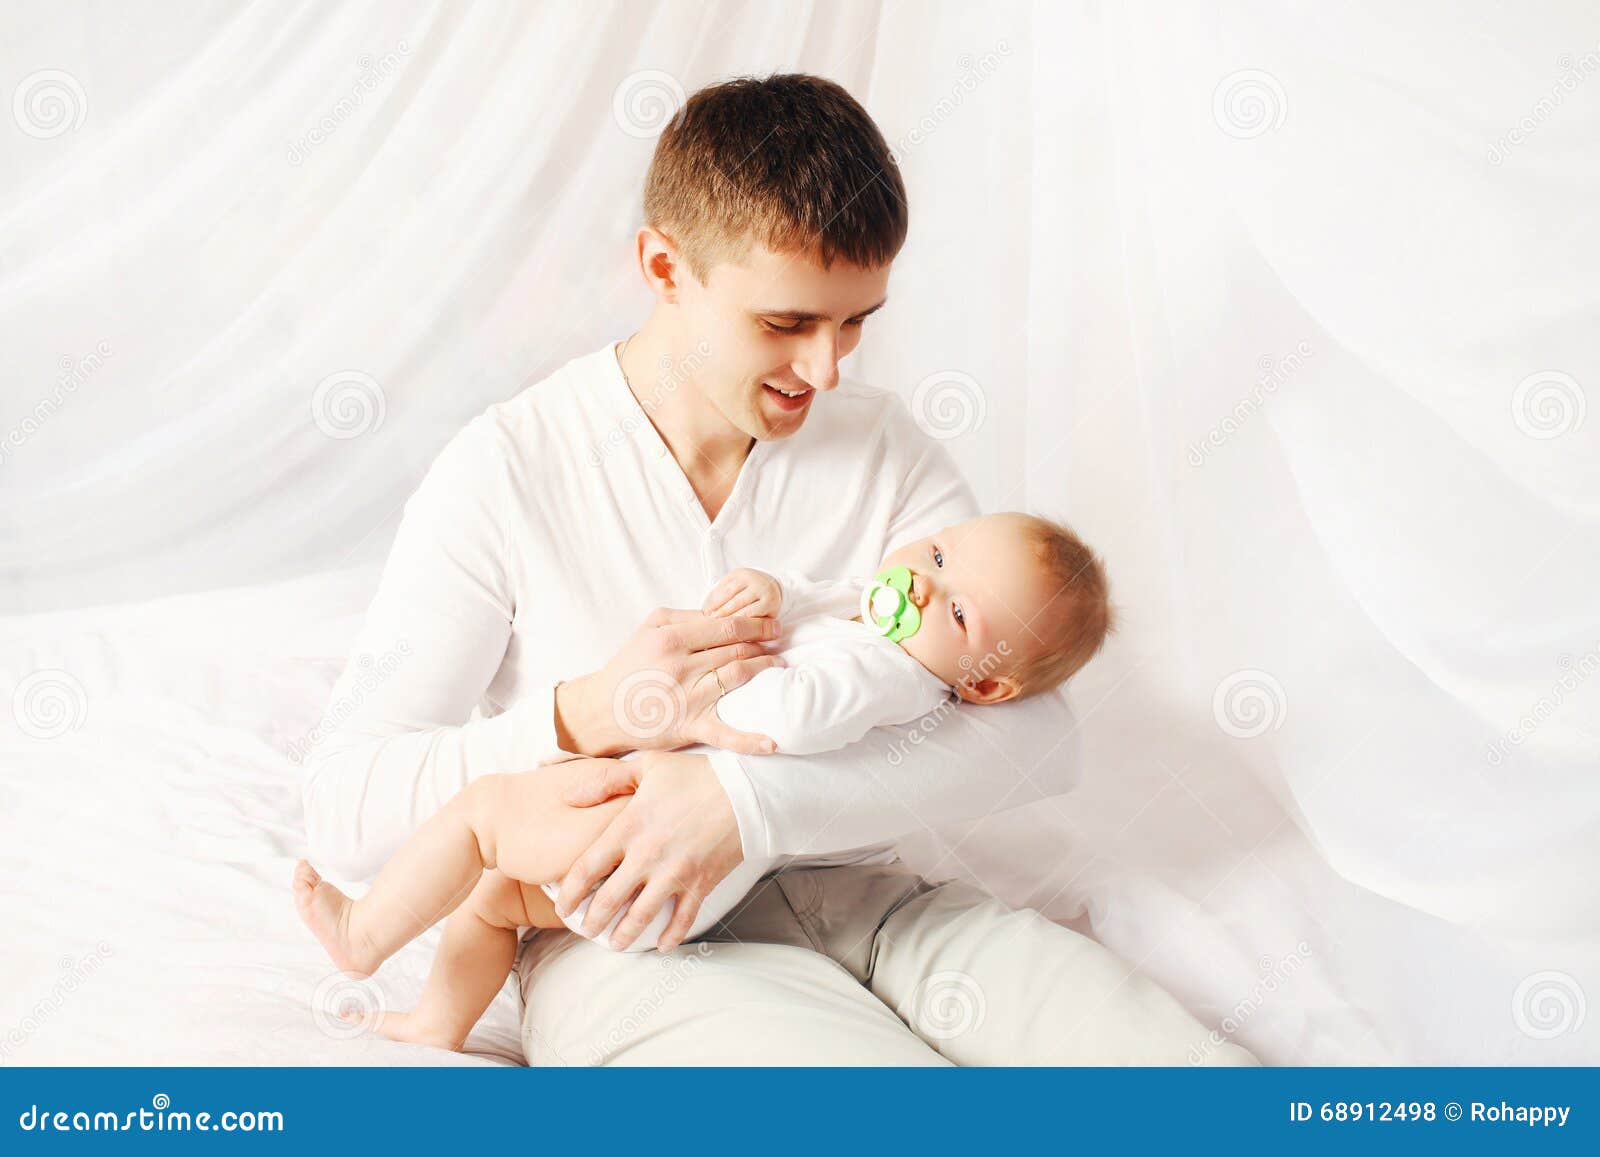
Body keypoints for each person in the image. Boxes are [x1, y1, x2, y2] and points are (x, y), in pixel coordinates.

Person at [300, 73, 1256, 1065]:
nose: (830, 367)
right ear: (665, 267)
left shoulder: (887, 449)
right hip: (625, 931)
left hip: (871, 900)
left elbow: (1032, 732)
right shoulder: (506, 469)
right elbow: (343, 804)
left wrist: (740, 804)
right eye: (786, 323)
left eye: (856, 321)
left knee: (1182, 1074)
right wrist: (585, 711)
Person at [293, 514, 1114, 1051]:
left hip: (654, 835)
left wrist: (703, 700)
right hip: (679, 877)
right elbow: (842, 599)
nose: (921, 586)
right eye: (937, 554)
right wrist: (781, 595)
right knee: (495, 895)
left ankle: (363, 936)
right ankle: (439, 1024)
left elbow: (794, 718)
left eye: (960, 612)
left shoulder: (886, 672)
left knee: (480, 818)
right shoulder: (883, 632)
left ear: (984, 684)